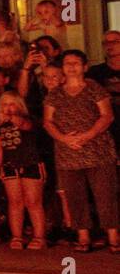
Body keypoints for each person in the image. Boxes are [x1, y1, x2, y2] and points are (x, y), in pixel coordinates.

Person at [43, 50, 118, 253]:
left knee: (105, 195)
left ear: (85, 67)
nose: (72, 67)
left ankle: (113, 236)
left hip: (98, 151)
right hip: (68, 153)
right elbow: (48, 121)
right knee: (75, 196)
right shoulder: (56, 93)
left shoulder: (95, 88)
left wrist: (87, 135)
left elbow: (106, 116)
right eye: (68, 63)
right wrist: (64, 138)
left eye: (76, 63)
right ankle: (83, 236)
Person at [0, 92, 47, 250]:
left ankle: (39, 237)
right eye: (4, 104)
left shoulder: (27, 119)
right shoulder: (0, 124)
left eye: (11, 104)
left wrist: (10, 117)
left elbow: (24, 125)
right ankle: (17, 236)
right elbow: (1, 145)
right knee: (15, 202)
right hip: (11, 165)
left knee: (33, 202)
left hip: (30, 163)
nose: (8, 108)